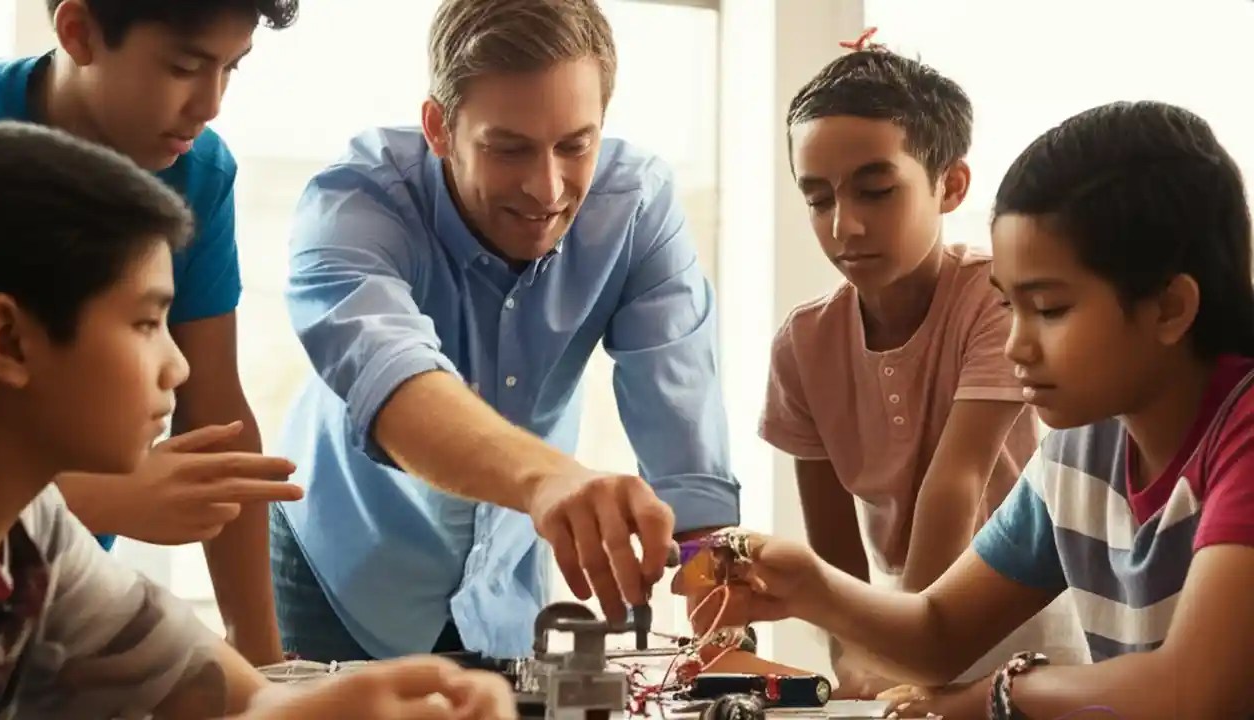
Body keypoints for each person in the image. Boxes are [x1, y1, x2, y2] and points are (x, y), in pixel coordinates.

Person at [717, 101, 1254, 718]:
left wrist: (1001, 693)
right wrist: (807, 584)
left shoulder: (1241, 435)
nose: (1016, 346)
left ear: (1168, 309)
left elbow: (1195, 691)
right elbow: (939, 632)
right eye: (1009, 307)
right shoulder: (1078, 454)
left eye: (1049, 309)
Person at [0, 119, 517, 720]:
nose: (178, 368)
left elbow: (218, 688)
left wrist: (353, 704)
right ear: (8, 342)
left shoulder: (32, 534)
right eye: (146, 324)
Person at [274, 0, 740, 662]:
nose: (546, 187)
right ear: (439, 126)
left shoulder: (636, 207)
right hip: (345, 562)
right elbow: (398, 384)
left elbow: (683, 421)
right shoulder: (353, 203)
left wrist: (717, 613)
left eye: (575, 145)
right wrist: (550, 480)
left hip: (506, 585)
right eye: (508, 148)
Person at [0, 0, 302, 665]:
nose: (210, 103)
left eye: (231, 68)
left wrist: (265, 664)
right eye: (185, 66)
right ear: (78, 32)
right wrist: (97, 498)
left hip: (44, 592)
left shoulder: (199, 172)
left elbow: (213, 403)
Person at [754, 46, 1086, 691]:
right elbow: (832, 547)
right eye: (818, 199)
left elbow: (955, 483)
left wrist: (907, 653)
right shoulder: (802, 345)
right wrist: (852, 657)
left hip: (1025, 637)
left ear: (950, 185)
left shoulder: (996, 296)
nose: (845, 226)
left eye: (877, 191)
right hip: (902, 619)